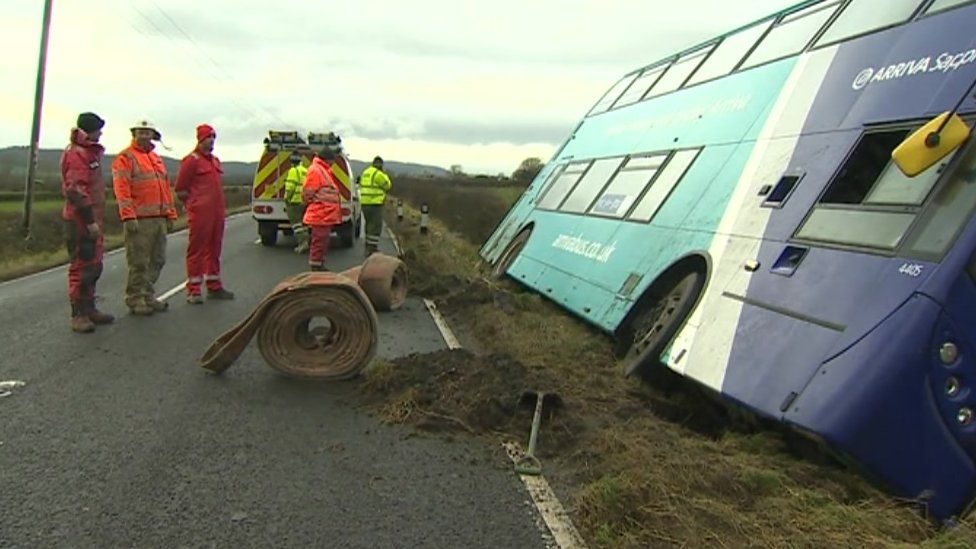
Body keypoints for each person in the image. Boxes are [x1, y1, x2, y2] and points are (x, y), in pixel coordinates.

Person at [112, 119, 178, 316]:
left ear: (153, 135)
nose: (144, 136)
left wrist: (170, 214)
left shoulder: (156, 158)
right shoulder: (126, 158)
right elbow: (121, 190)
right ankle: (135, 298)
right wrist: (128, 216)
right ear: (134, 134)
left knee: (158, 259)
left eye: (148, 132)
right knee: (138, 262)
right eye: (140, 132)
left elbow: (165, 189)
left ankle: (148, 294)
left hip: (159, 218)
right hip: (139, 220)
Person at [61, 112, 114, 333]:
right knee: (82, 266)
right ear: (90, 129)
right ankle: (79, 314)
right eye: (98, 129)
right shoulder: (77, 154)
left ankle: (89, 307)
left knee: (94, 266)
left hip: (92, 218)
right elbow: (75, 190)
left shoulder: (90, 153)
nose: (101, 133)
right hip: (80, 220)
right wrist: (90, 221)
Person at [175, 124, 235, 304]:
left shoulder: (215, 161)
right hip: (201, 213)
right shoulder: (191, 160)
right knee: (197, 250)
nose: (211, 141)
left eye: (213, 138)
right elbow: (181, 189)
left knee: (214, 248)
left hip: (217, 212)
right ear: (200, 139)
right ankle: (194, 290)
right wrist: (193, 205)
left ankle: (214, 285)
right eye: (208, 137)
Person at [302, 146, 342, 271]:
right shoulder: (316, 170)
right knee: (319, 241)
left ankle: (319, 264)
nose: (333, 163)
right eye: (332, 160)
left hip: (325, 214)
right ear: (327, 159)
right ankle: (316, 267)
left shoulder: (323, 170)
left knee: (322, 241)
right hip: (320, 213)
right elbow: (308, 192)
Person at [358, 155, 392, 257]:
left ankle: (367, 246)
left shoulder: (366, 172)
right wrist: (384, 174)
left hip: (364, 203)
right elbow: (388, 185)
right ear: (380, 165)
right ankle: (372, 249)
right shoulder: (378, 174)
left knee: (368, 225)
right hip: (375, 203)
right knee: (376, 226)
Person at [283, 152, 309, 254]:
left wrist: (287, 198)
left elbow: (290, 187)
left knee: (296, 224)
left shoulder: (293, 171)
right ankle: (306, 241)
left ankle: (302, 243)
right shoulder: (305, 171)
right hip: (303, 201)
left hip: (294, 201)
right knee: (303, 224)